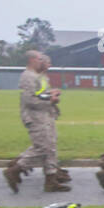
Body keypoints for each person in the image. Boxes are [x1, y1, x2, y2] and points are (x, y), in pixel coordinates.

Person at [5, 51, 69, 193]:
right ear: (32, 60)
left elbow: (40, 94)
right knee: (42, 147)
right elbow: (30, 100)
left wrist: (50, 94)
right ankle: (16, 168)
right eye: (40, 59)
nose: (43, 61)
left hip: (45, 115)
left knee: (50, 147)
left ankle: (51, 180)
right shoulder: (28, 76)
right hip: (35, 117)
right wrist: (50, 100)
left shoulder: (38, 76)